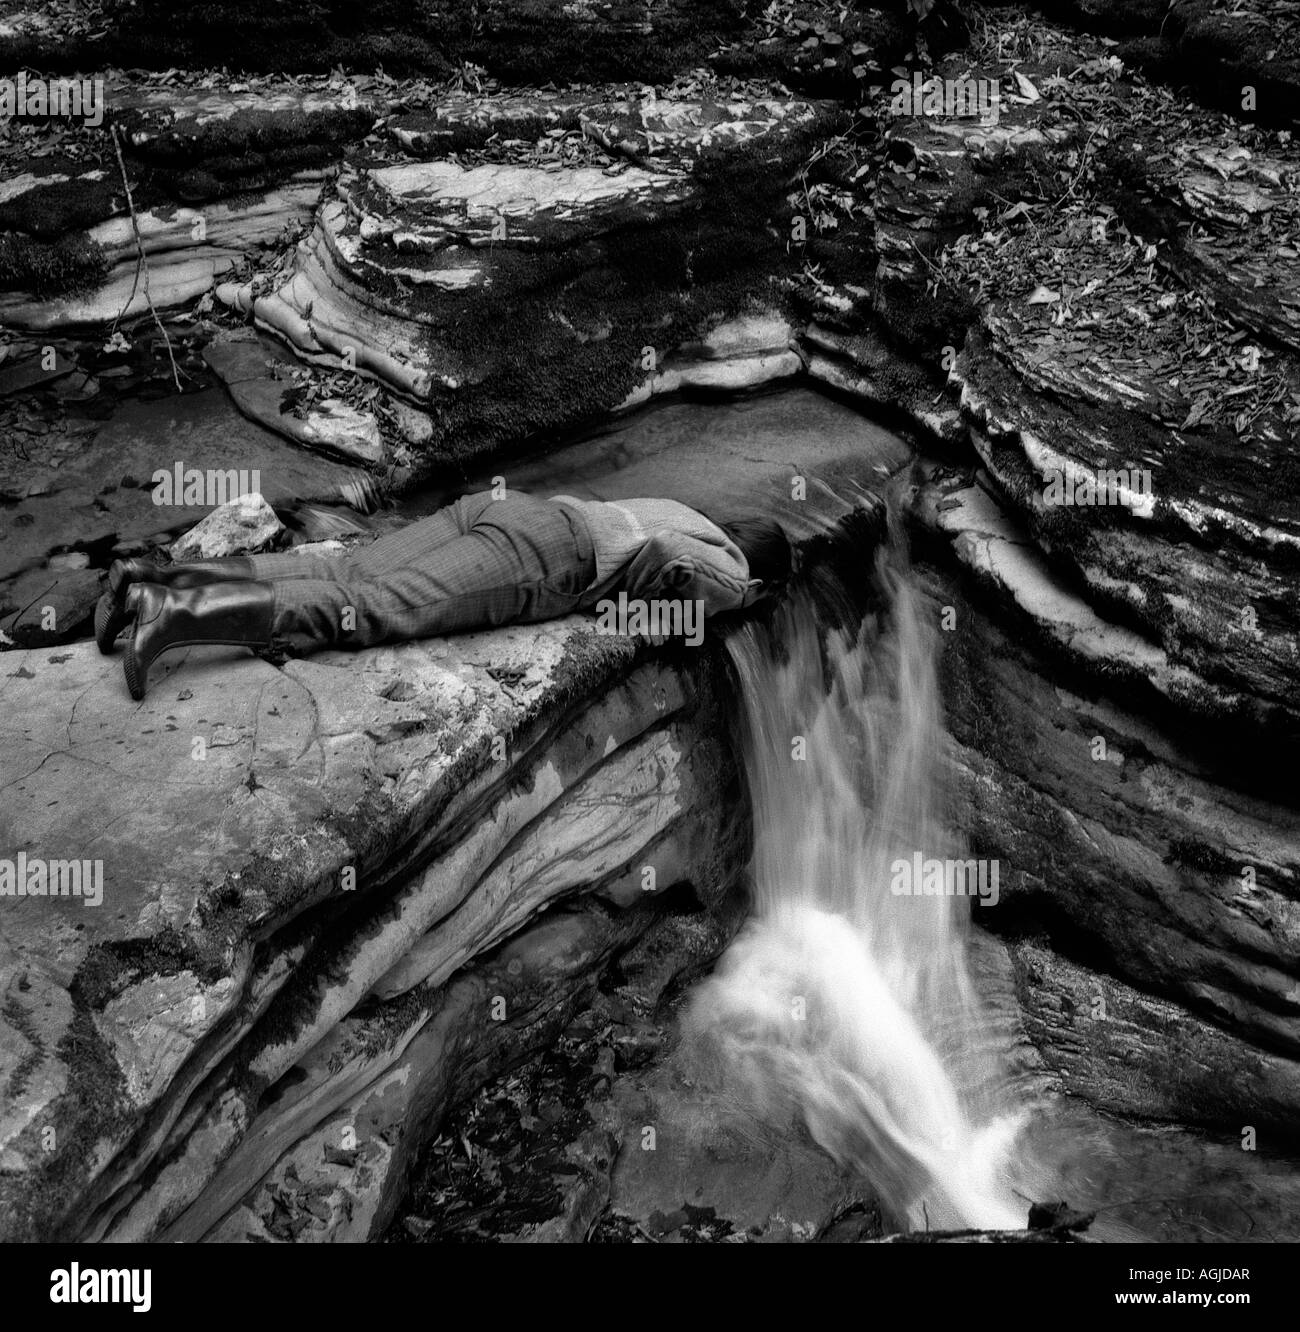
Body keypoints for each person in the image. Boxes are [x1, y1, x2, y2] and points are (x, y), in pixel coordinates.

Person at [96, 489, 794, 700]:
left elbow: (660, 535)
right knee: (370, 608)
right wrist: (725, 600)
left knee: (351, 573)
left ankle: (150, 578)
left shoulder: (687, 507)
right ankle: (177, 616)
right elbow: (674, 564)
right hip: (542, 557)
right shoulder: (730, 564)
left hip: (501, 508)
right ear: (758, 576)